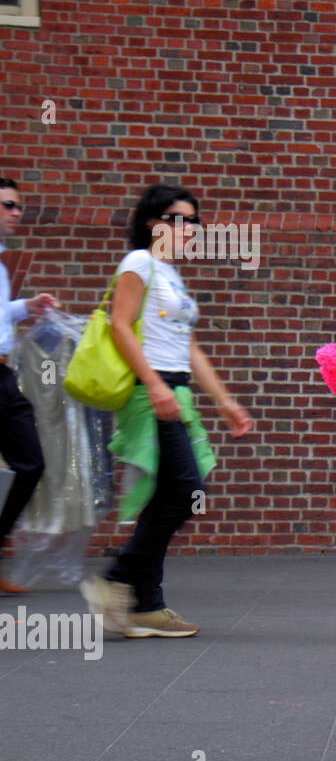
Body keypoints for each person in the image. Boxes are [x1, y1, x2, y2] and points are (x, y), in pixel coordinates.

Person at [80, 184, 252, 636]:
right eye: (178, 219)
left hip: (175, 393)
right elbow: (120, 325)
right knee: (183, 490)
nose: (188, 229)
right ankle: (117, 578)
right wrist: (154, 385)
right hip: (149, 390)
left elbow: (189, 347)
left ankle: (145, 604)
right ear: (152, 222)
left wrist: (224, 401)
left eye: (194, 221)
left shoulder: (170, 273)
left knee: (169, 494)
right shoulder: (138, 262)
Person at [0, 178, 57, 594]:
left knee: (31, 461)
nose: (16, 212)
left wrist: (27, 306)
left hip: (2, 374)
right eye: (8, 205)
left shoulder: (2, 264)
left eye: (18, 206)